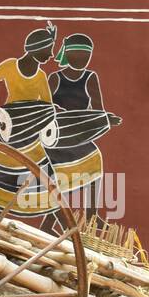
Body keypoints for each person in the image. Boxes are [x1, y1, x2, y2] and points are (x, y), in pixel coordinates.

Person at [0, 22, 60, 218]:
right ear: (36, 50)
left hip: (28, 137)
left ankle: (64, 229)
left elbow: (47, 109)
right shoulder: (11, 66)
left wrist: (52, 117)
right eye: (48, 50)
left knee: (47, 183)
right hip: (6, 132)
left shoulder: (40, 76)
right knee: (6, 187)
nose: (51, 55)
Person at [46, 34, 120, 221]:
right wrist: (55, 110)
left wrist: (105, 119)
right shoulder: (54, 78)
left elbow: (98, 110)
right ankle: (54, 219)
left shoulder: (90, 77)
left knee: (95, 158)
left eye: (85, 57)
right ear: (67, 55)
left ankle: (92, 216)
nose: (81, 60)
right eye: (77, 56)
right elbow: (43, 107)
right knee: (53, 175)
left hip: (80, 135)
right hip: (56, 138)